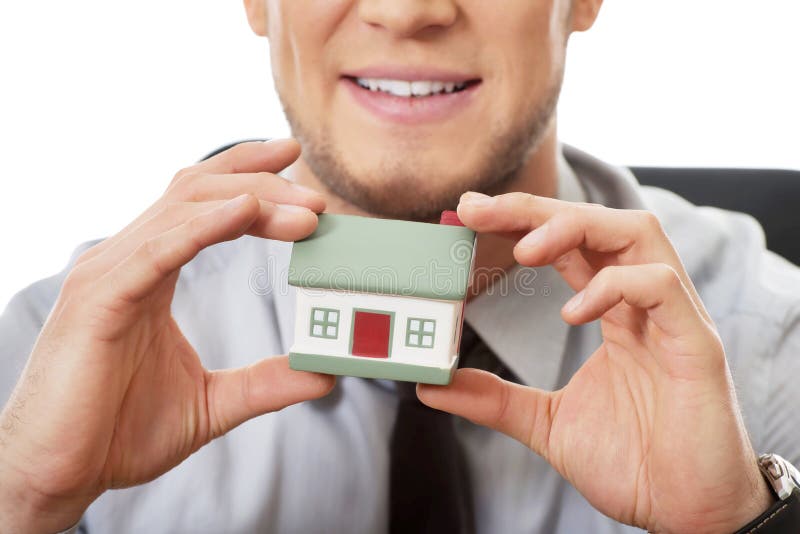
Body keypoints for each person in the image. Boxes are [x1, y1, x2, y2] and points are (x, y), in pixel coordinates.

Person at [1, 1, 799, 532]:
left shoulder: (772, 351)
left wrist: (738, 524)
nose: (408, 10)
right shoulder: (53, 360)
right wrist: (24, 501)